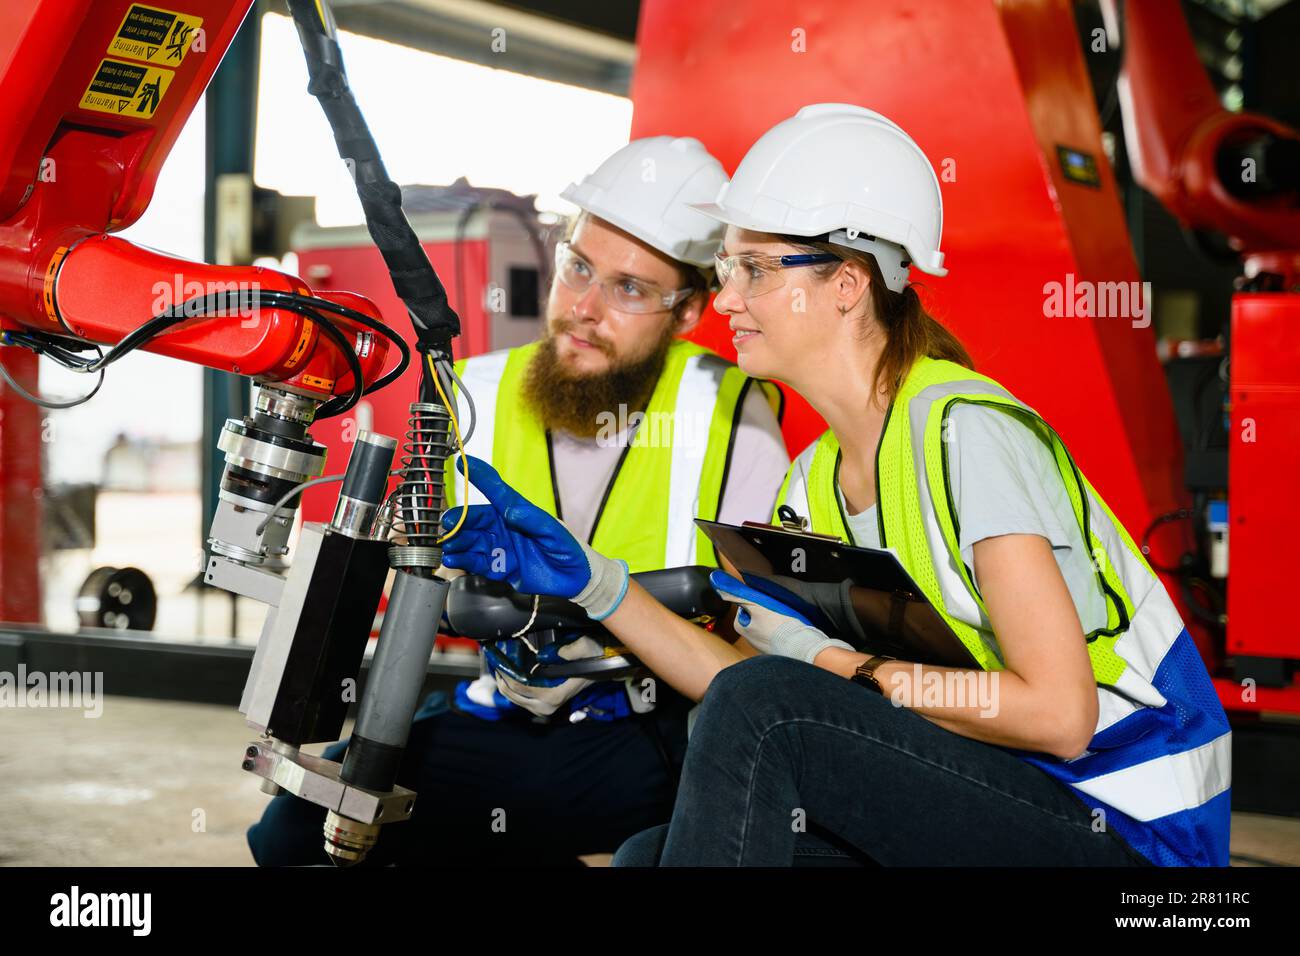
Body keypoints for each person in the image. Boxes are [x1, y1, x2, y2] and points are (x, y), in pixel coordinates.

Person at [436, 104, 1232, 867]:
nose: (726, 299)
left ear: (848, 284)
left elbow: (1060, 716)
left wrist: (851, 674)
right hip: (1004, 787)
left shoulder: (966, 434)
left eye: (753, 268)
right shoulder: (815, 478)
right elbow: (736, 674)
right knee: (650, 853)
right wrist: (597, 583)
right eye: (724, 268)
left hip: (1129, 834)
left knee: (767, 708)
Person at [245, 136, 791, 866]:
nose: (585, 308)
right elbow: (418, 587)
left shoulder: (732, 414)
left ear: (688, 311)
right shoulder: (475, 392)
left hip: (645, 730)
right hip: (499, 711)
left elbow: (762, 648)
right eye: (579, 269)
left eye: (629, 289)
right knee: (292, 832)